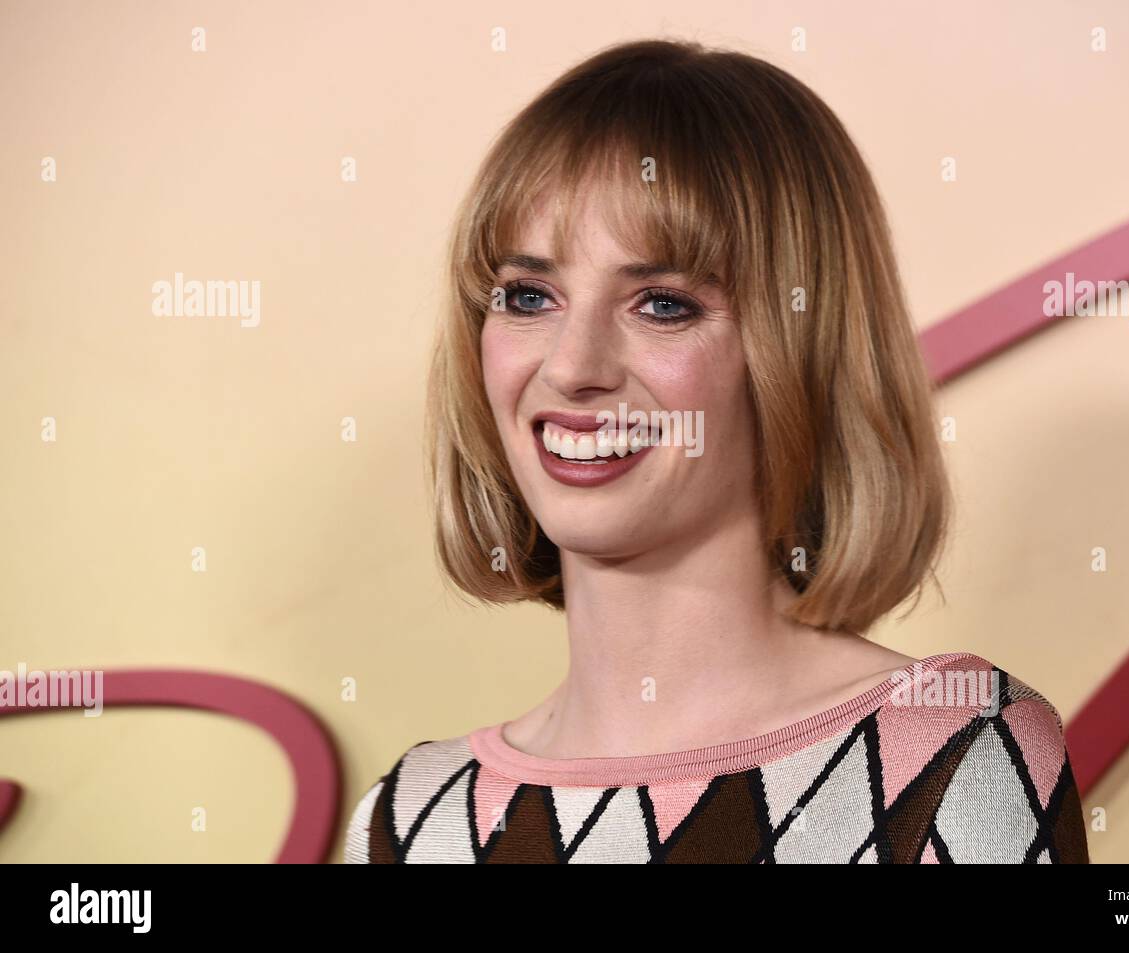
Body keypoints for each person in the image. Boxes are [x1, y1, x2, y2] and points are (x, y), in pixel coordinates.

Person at [345, 38, 1089, 863]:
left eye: (662, 304)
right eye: (528, 296)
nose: (570, 367)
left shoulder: (953, 760)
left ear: (799, 350)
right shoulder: (411, 821)